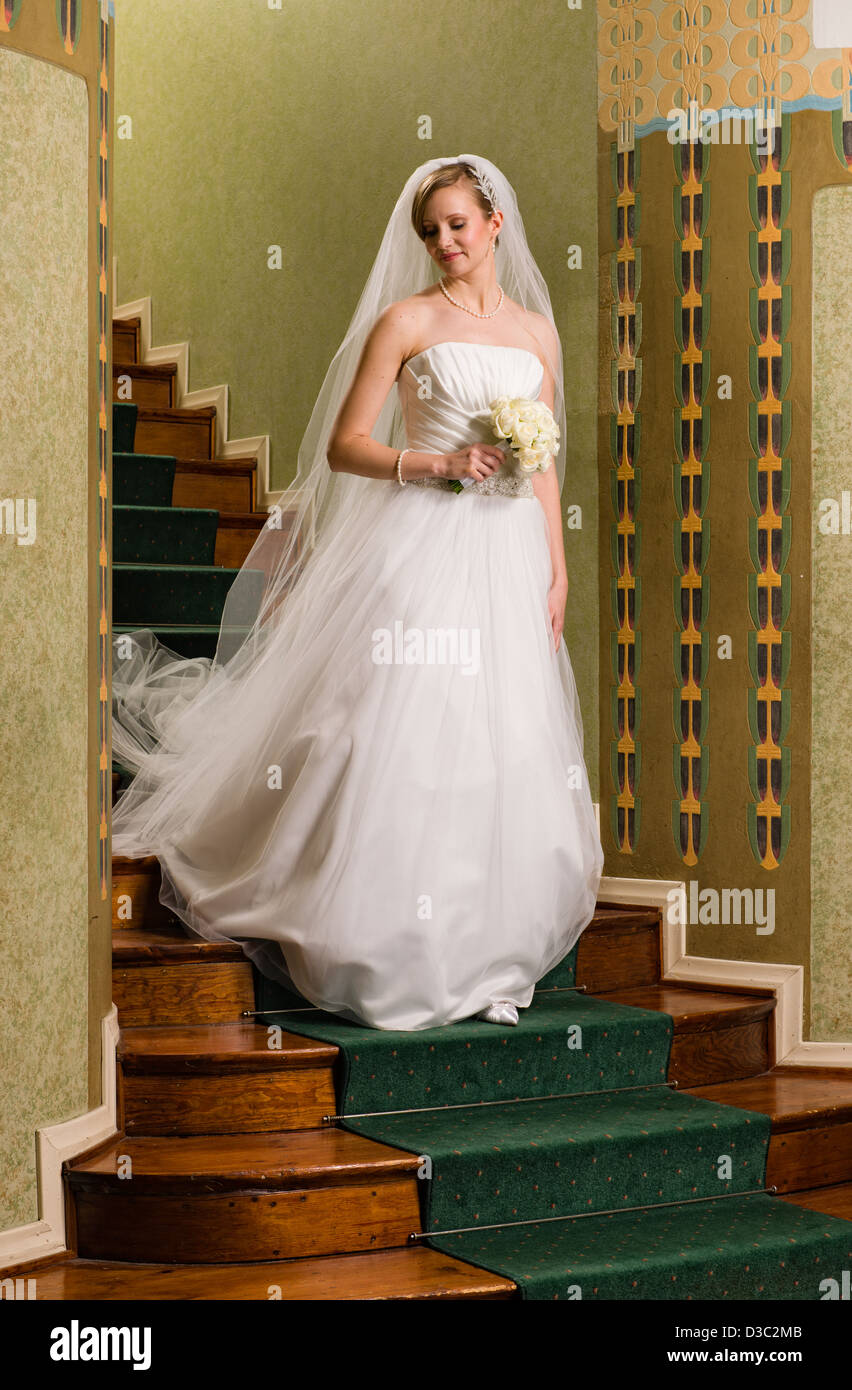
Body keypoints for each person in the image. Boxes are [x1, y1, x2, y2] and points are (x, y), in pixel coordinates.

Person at [111, 153, 605, 1031]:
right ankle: (379, 938)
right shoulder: (404, 321)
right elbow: (345, 447)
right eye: (430, 231)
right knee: (402, 728)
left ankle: (485, 943)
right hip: (421, 544)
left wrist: (558, 567)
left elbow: (545, 461)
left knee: (501, 737)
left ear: (495, 222)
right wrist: (437, 463)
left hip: (511, 555)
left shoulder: (537, 332)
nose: (444, 242)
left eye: (458, 224)